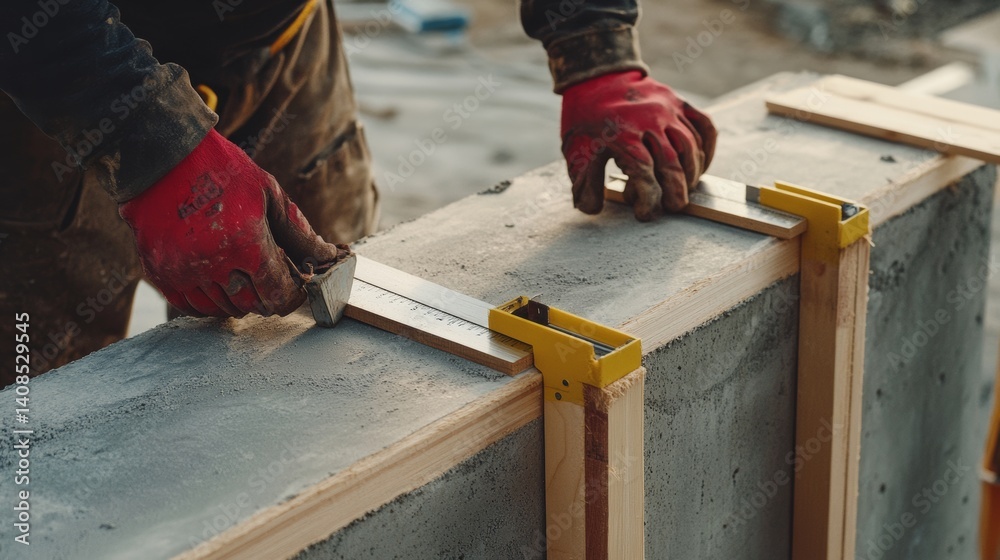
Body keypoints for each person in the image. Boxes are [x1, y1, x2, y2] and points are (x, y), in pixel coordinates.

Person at [0, 0, 716, 385]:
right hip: (53, 73)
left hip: (280, 41)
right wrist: (143, 138)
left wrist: (596, 49)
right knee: (37, 408)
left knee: (345, 348)